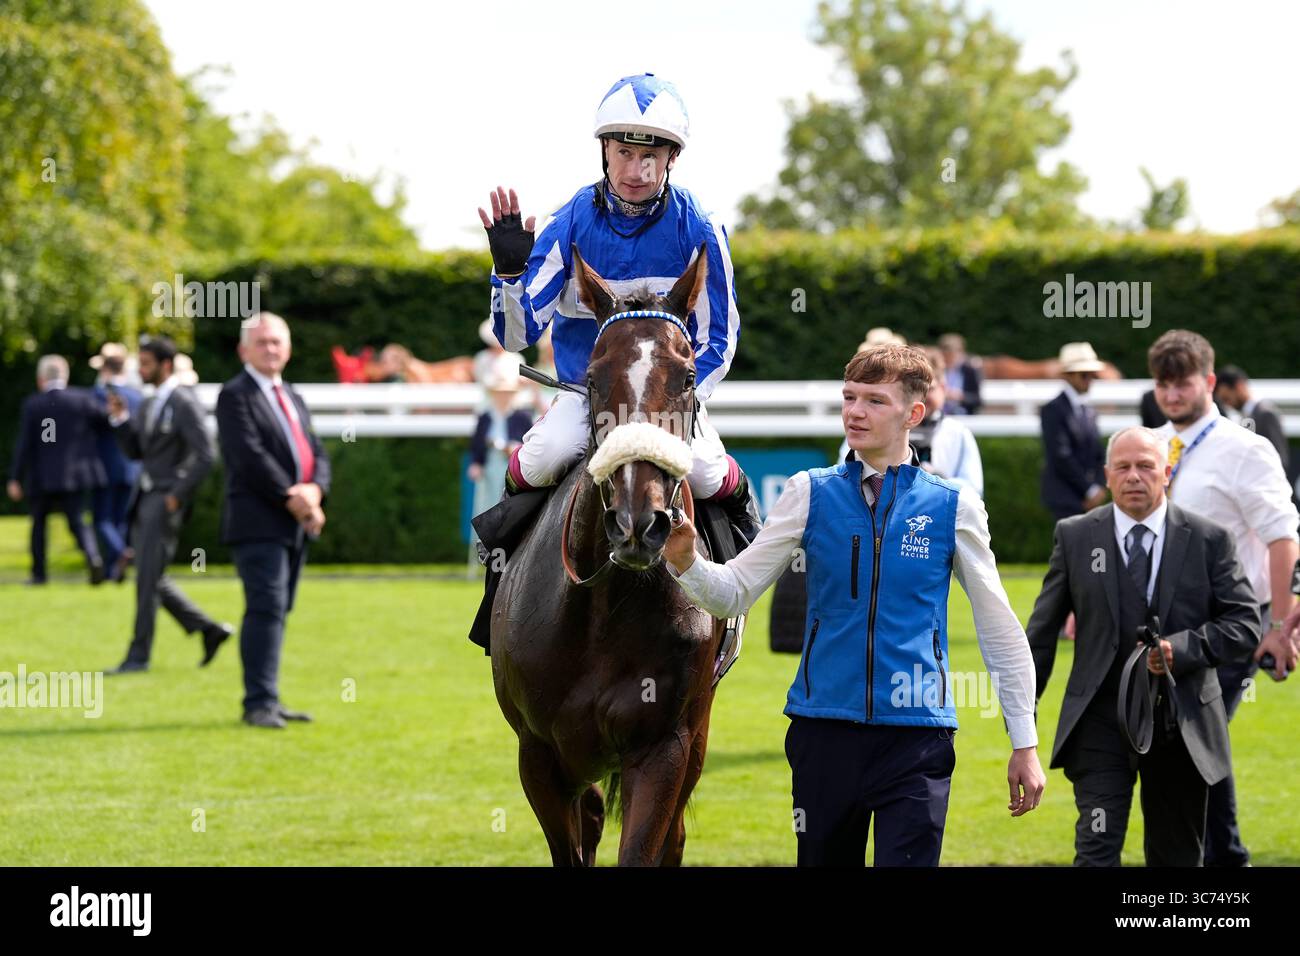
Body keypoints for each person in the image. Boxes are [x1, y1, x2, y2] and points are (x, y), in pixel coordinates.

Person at [663, 344, 1045, 866]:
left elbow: (998, 627)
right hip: (823, 732)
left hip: (918, 738)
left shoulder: (953, 506)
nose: (855, 412)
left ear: (915, 413)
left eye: (874, 400)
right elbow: (734, 593)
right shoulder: (808, 492)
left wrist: (1024, 742)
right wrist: (686, 561)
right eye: (849, 398)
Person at [469, 72, 761, 651]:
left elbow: (720, 339)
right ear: (604, 150)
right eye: (625, 152)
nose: (636, 170)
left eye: (650, 156)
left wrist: (673, 397)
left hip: (670, 401)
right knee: (543, 455)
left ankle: (732, 608)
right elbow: (517, 336)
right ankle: (501, 592)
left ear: (671, 159)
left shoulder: (699, 226)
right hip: (588, 395)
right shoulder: (571, 219)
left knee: (706, 471)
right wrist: (505, 276)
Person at [1026, 427, 1258, 865]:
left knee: (1176, 856)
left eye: (1146, 466)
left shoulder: (1209, 539)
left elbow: (1245, 623)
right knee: (1095, 849)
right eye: (1123, 467)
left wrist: (1183, 649)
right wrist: (1022, 713)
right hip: (1099, 722)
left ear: (1167, 472)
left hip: (1183, 724)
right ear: (1108, 475)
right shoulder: (1075, 536)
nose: (1134, 476)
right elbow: (1041, 634)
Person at [1147, 329, 1299, 866]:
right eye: (1163, 384)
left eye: (1182, 383)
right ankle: (1221, 857)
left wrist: (1279, 628)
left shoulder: (1245, 449)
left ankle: (1222, 861)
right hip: (1171, 625)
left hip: (1236, 621)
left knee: (1196, 743)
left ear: (1209, 381)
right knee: (1193, 745)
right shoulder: (1154, 445)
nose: (1172, 395)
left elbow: (1283, 538)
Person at [215, 313, 330, 729]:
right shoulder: (234, 395)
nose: (271, 348)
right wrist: (294, 497)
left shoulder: (291, 394)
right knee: (265, 608)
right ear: (243, 350)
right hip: (257, 521)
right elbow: (248, 458)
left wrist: (315, 490)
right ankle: (257, 703)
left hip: (294, 521)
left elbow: (315, 451)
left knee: (279, 610)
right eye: (262, 342)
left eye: (277, 341)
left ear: (289, 347)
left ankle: (270, 698)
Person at [105, 336, 233, 674]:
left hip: (164, 499)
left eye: (146, 363)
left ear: (165, 365)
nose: (140, 370)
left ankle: (138, 656)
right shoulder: (148, 404)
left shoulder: (183, 402)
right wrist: (120, 421)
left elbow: (207, 454)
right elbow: (137, 452)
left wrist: (178, 493)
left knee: (148, 579)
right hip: (144, 496)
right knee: (151, 576)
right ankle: (208, 629)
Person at [6, 355, 107, 585]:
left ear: (41, 379)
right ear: (65, 376)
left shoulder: (34, 404)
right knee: (78, 522)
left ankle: (39, 574)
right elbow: (107, 422)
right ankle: (93, 556)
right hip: (74, 474)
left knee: (39, 525)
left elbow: (25, 444)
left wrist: (15, 477)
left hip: (42, 476)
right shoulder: (82, 400)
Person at [838, 347, 983, 497]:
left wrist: (933, 481)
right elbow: (843, 482)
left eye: (929, 390)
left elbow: (972, 491)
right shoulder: (863, 429)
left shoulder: (956, 432)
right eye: (849, 398)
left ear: (943, 388)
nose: (921, 398)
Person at [89, 343, 143, 582]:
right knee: (120, 519)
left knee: (102, 518)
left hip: (105, 464)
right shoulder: (137, 396)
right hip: (132, 466)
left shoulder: (100, 395)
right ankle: (115, 571)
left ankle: (121, 552)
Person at [468, 353, 532, 551]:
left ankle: (508, 546)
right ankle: (483, 547)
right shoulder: (485, 417)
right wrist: (476, 464)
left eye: (506, 392)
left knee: (507, 506)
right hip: (490, 465)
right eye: (499, 392)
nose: (503, 396)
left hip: (512, 465)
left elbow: (528, 442)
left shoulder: (522, 416)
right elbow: (477, 444)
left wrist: (512, 448)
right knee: (486, 506)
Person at [1039, 342, 1107, 522]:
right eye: (1084, 374)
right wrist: (1089, 490)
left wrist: (1099, 486)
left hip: (1089, 496)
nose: (1090, 379)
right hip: (1064, 497)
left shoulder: (1089, 410)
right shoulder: (1053, 409)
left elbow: (1098, 453)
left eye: (1092, 374)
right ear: (1068, 375)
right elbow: (1060, 455)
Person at [1214, 364, 1293, 489]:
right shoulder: (1247, 416)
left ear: (1239, 386)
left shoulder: (1265, 413)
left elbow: (1279, 459)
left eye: (1227, 398)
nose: (1227, 404)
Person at [938, 333, 983, 415]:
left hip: (964, 412)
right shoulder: (939, 368)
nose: (948, 361)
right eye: (945, 357)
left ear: (960, 353)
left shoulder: (971, 370)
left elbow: (978, 400)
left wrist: (960, 396)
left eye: (951, 356)